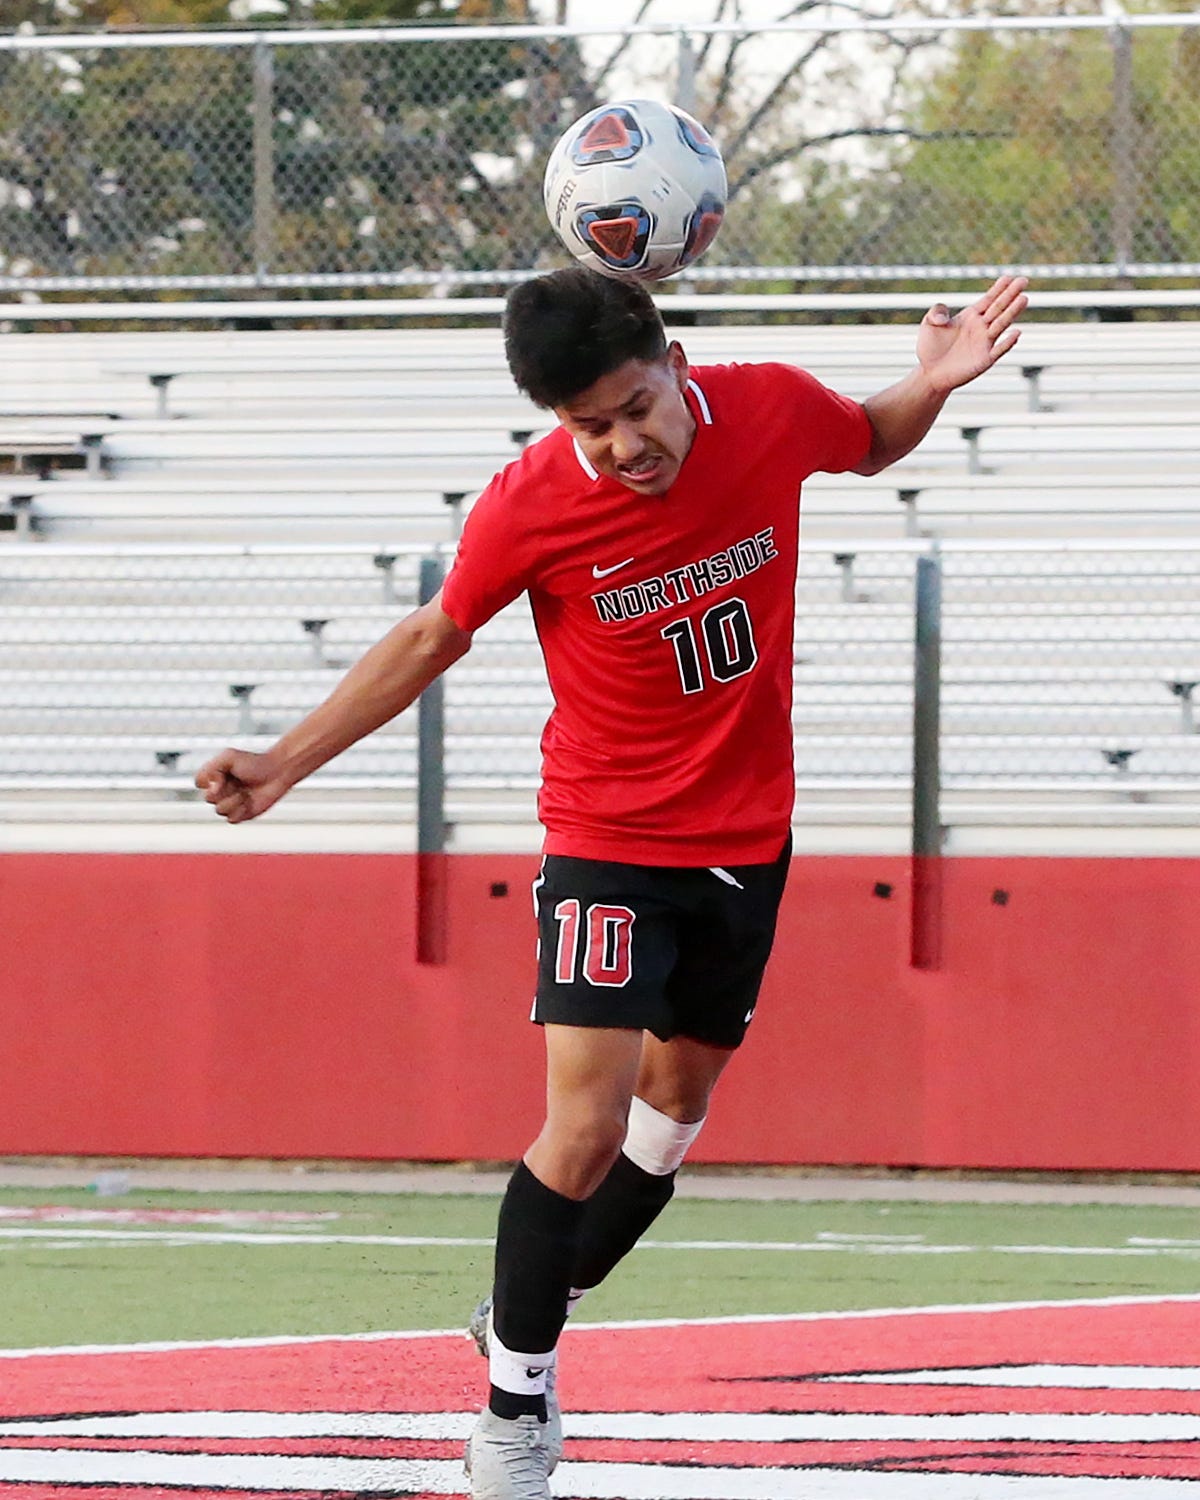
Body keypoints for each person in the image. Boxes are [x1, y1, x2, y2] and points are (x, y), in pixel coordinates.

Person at [196, 265, 1028, 1500]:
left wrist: (932, 384)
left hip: (749, 838)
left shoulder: (769, 408)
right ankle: (516, 1412)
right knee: (582, 1126)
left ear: (675, 360)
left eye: (638, 408)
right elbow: (433, 634)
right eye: (591, 426)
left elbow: (866, 438)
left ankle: (525, 1304)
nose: (625, 444)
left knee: (671, 1119)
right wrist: (282, 764)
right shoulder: (531, 505)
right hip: (608, 838)